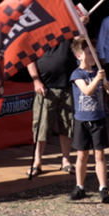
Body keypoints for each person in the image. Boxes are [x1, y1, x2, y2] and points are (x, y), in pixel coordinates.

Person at [25, 16, 90, 178]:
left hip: (68, 85)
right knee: (42, 125)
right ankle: (37, 162)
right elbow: (29, 58)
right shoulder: (37, 31)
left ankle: (66, 160)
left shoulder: (68, 28)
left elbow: (82, 41)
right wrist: (36, 81)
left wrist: (80, 25)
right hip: (45, 87)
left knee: (67, 125)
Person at [69, 36, 109, 203]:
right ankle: (79, 187)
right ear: (79, 56)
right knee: (82, 156)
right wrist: (97, 80)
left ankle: (103, 188)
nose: (93, 57)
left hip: (98, 118)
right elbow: (86, 91)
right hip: (82, 120)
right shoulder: (77, 74)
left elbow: (108, 92)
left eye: (94, 53)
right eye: (89, 53)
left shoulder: (98, 73)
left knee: (100, 155)